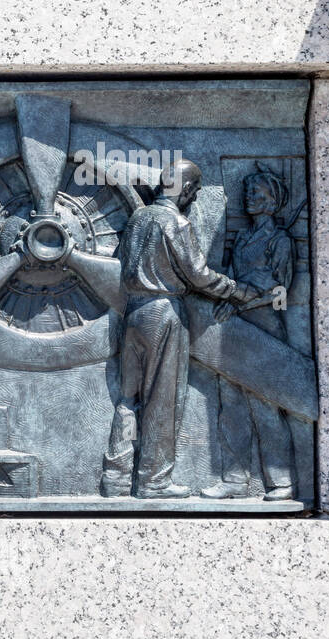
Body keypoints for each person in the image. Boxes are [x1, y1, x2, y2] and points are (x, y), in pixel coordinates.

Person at [101, 160, 259, 499]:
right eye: (196, 190)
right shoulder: (176, 222)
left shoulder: (138, 218)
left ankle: (115, 477)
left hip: (133, 314)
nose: (196, 196)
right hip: (162, 313)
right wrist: (236, 290)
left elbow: (121, 263)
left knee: (128, 397)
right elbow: (198, 275)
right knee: (161, 399)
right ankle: (154, 481)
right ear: (186, 189)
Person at [201, 168, 296, 502]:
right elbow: (231, 281)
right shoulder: (242, 239)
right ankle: (234, 479)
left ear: (272, 202)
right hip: (236, 328)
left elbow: (282, 291)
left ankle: (281, 482)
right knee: (231, 404)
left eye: (257, 193)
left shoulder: (280, 240)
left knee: (266, 405)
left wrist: (239, 306)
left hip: (265, 327)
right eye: (248, 192)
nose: (249, 198)